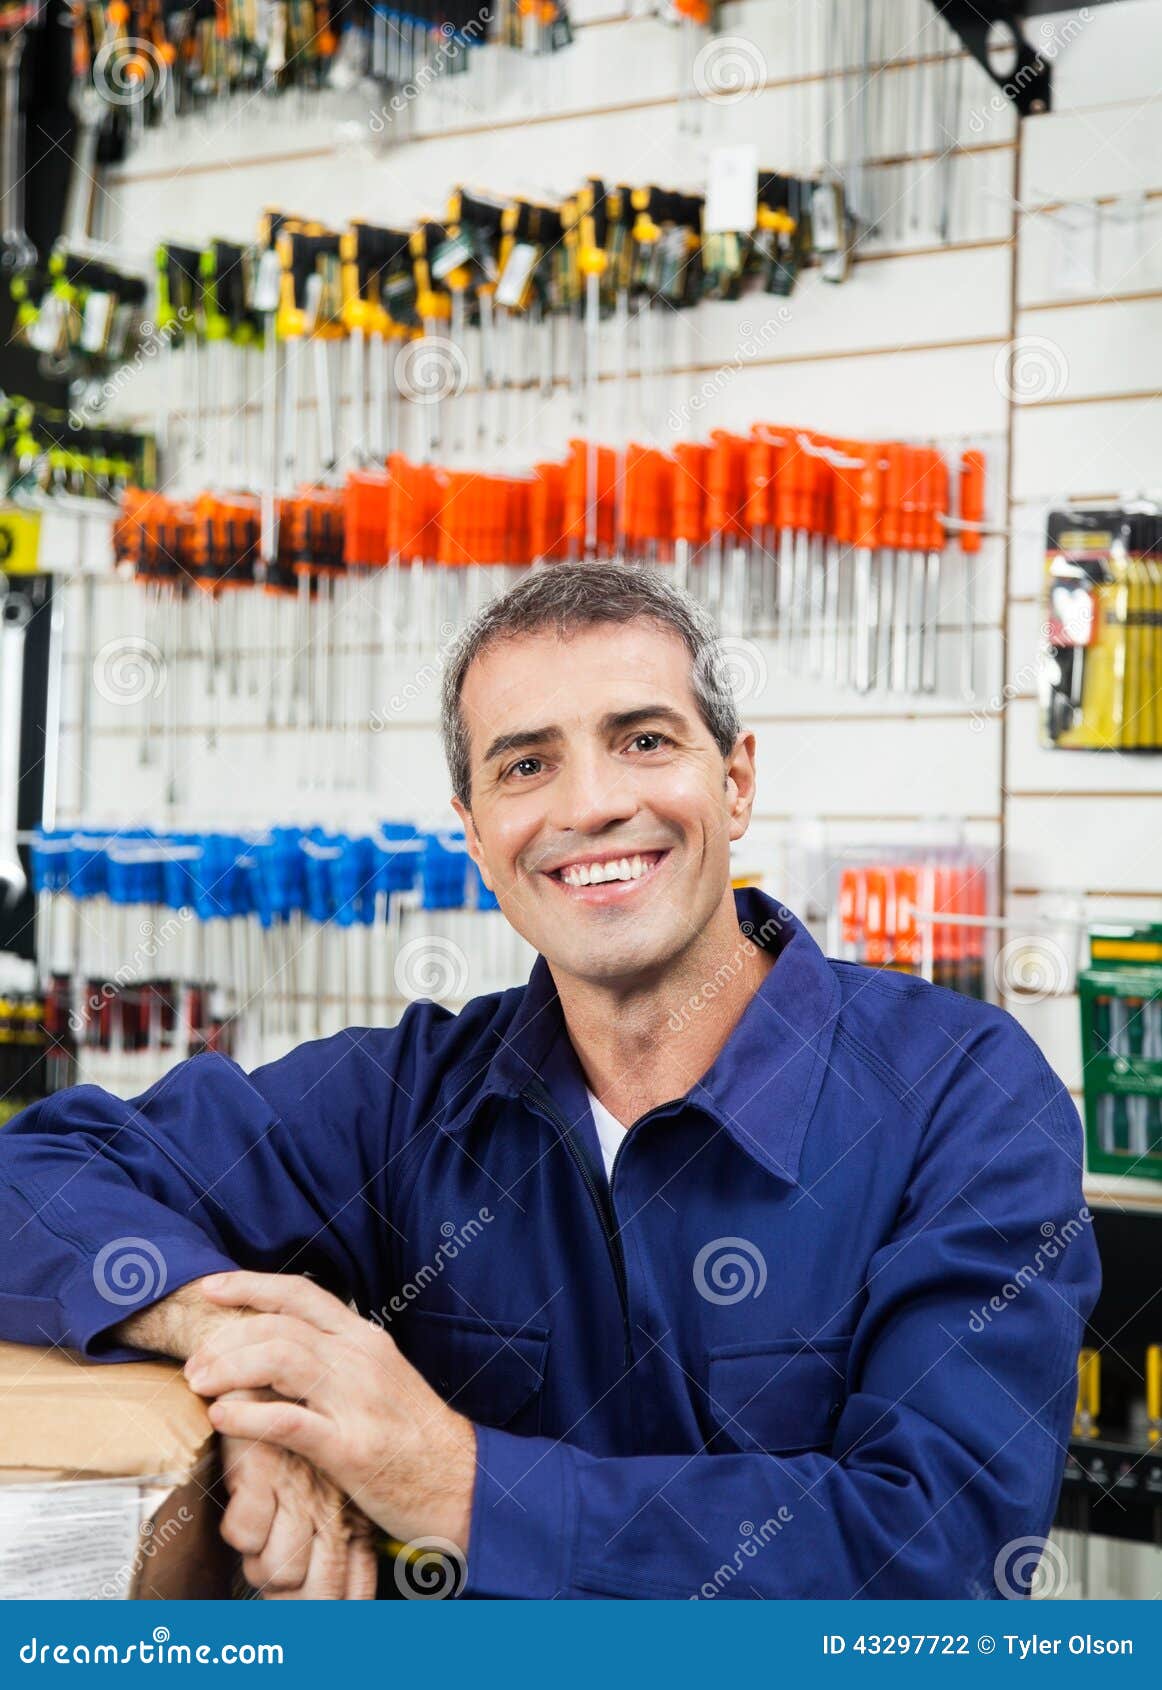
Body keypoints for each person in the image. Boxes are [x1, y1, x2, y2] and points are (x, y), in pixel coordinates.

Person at [0, 562, 1100, 1600]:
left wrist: (449, 1479)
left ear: (736, 781)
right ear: (477, 840)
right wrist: (238, 1352)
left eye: (642, 740)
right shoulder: (401, 1101)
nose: (588, 805)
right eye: (526, 764)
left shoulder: (960, 1094)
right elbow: (30, 1179)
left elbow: (938, 1555)